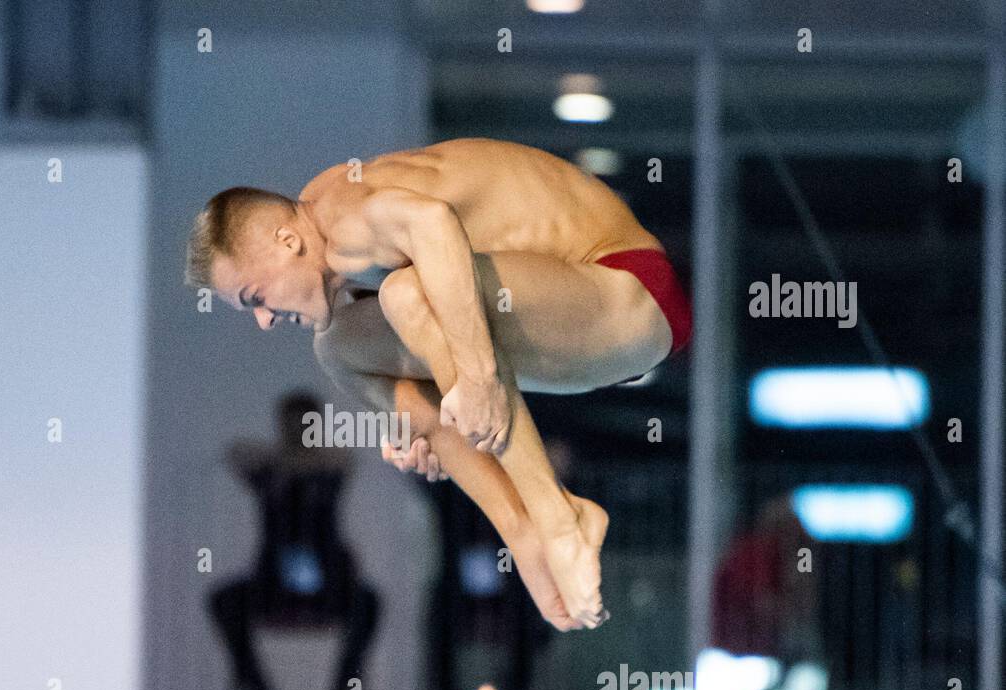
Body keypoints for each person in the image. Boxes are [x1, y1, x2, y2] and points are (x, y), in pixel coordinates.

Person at [186, 138, 692, 631]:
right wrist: (421, 422)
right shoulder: (321, 220)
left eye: (254, 298)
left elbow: (434, 222)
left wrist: (477, 376)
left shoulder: (348, 220)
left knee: (408, 294)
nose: (265, 322)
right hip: (568, 317)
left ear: (287, 240)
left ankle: (559, 517)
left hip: (629, 291)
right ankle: (522, 530)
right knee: (338, 347)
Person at [207, 392, 380, 690]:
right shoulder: (270, 471)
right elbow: (235, 453)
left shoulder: (328, 466)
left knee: (368, 603)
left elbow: (344, 460)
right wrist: (283, 460)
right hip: (273, 583)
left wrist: (292, 462)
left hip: (329, 583)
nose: (299, 429)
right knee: (225, 601)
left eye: (306, 422)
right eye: (293, 421)